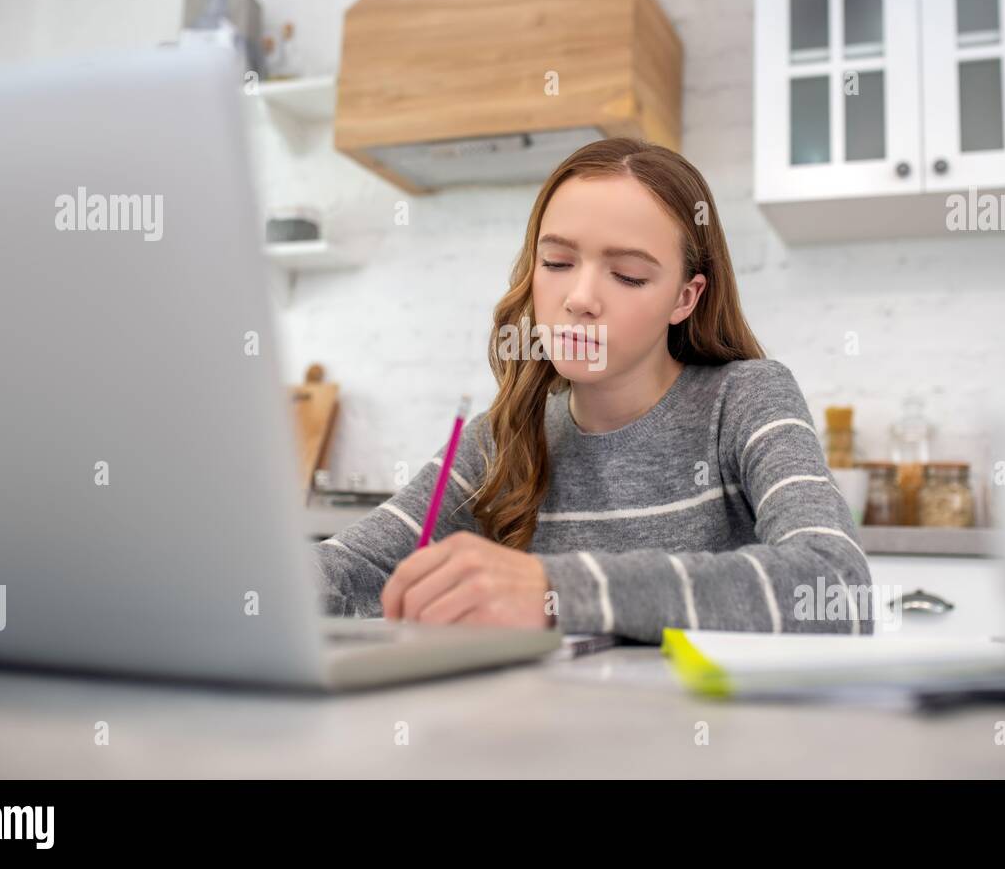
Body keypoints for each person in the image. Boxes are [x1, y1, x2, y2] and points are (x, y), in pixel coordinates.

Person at [314, 137, 873, 643]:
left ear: (686, 297)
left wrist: (552, 591)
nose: (579, 297)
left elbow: (836, 588)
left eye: (628, 274)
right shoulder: (500, 439)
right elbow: (348, 569)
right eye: (556, 262)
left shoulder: (745, 400)